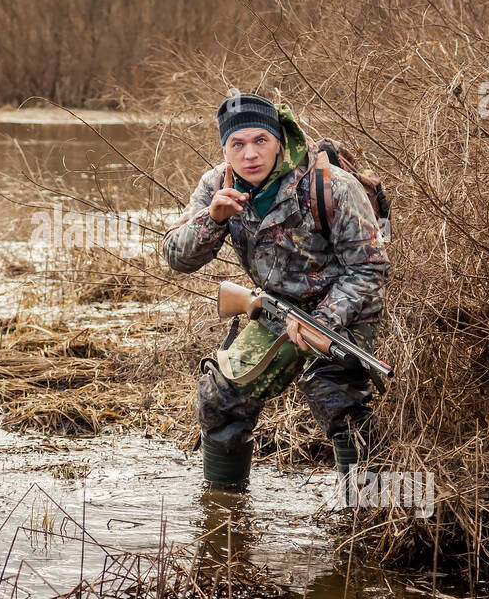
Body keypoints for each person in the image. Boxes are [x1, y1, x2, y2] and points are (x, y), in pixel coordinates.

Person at [159, 92, 390, 485]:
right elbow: (176, 257)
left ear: (278, 140)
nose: (250, 154)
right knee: (221, 396)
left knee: (336, 398)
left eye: (260, 141)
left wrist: (323, 322)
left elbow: (369, 269)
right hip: (276, 308)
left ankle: (367, 515)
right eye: (238, 144)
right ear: (225, 149)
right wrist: (212, 219)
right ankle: (224, 513)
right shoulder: (216, 184)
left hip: (345, 308)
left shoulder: (331, 185)